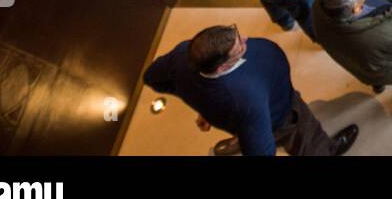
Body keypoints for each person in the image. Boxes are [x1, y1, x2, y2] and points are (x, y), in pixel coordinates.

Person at [144, 24, 359, 156]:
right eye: (239, 47)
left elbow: (152, 77)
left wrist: (200, 102)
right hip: (281, 116)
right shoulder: (247, 102)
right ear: (222, 67)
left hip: (237, 119)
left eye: (235, 32)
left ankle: (239, 138)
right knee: (304, 137)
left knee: (246, 130)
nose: (245, 39)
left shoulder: (183, 54)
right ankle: (326, 151)